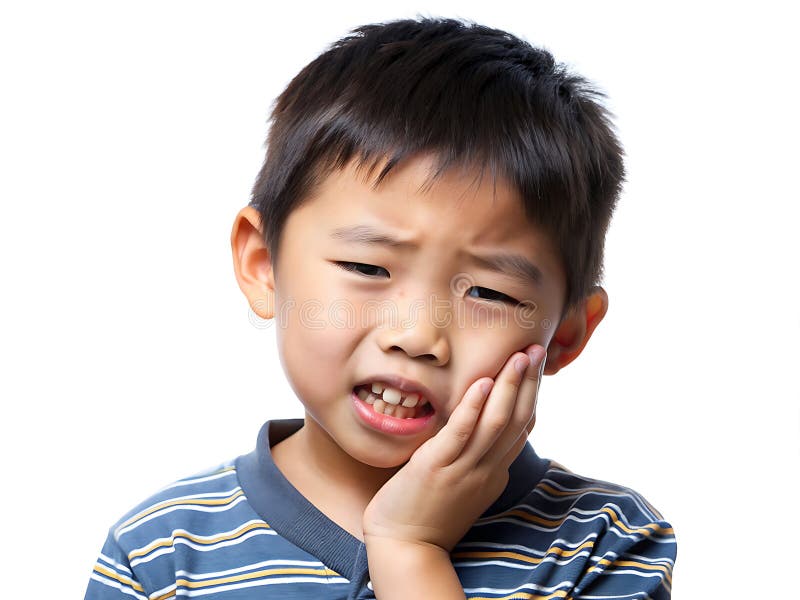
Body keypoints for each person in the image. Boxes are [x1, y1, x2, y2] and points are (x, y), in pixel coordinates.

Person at [85, 17, 676, 599]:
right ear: (264, 264)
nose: (417, 335)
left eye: (489, 293)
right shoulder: (160, 556)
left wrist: (410, 551)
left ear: (566, 334)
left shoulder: (604, 545)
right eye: (368, 268)